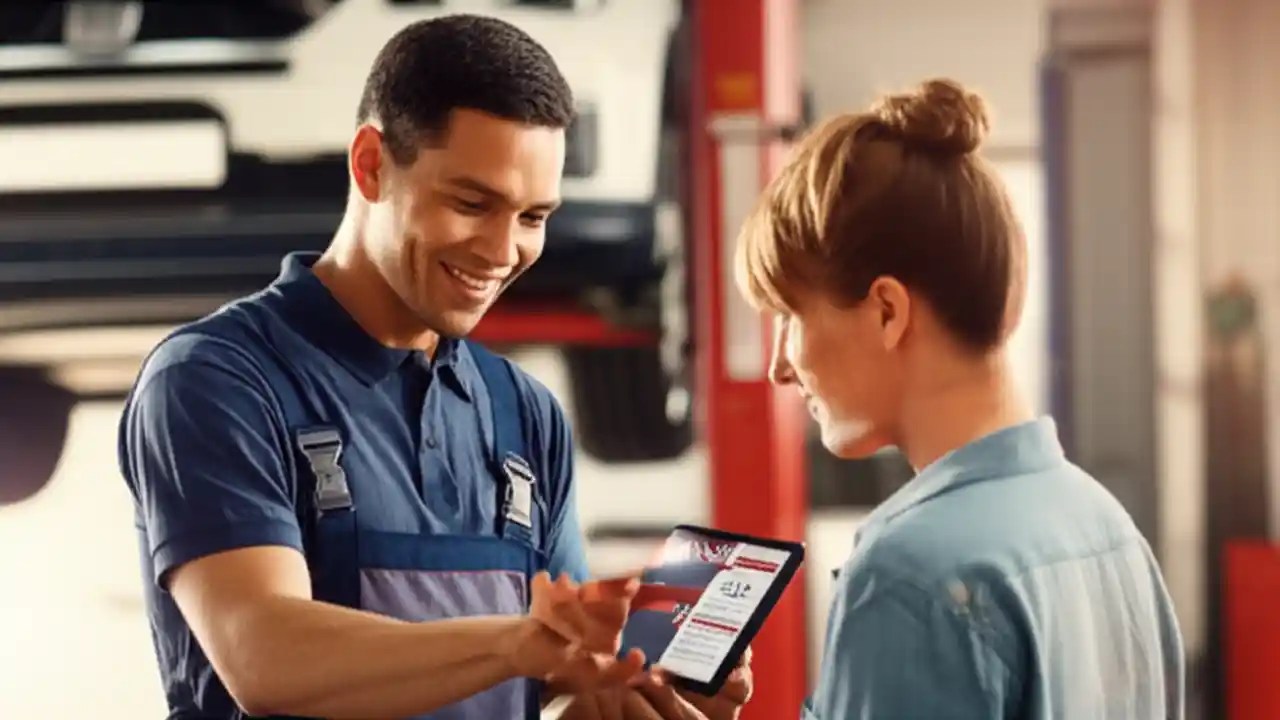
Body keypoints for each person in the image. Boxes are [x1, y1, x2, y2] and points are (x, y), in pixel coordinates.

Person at [117, 14, 748, 720]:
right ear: (370, 165)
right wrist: (518, 646)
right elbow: (263, 653)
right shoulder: (219, 381)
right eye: (473, 203)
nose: (503, 250)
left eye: (533, 217)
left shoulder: (522, 414)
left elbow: (558, 667)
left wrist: (644, 684)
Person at [732, 79, 1185, 719]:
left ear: (886, 310)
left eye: (789, 316)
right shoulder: (1104, 526)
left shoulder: (909, 572)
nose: (780, 365)